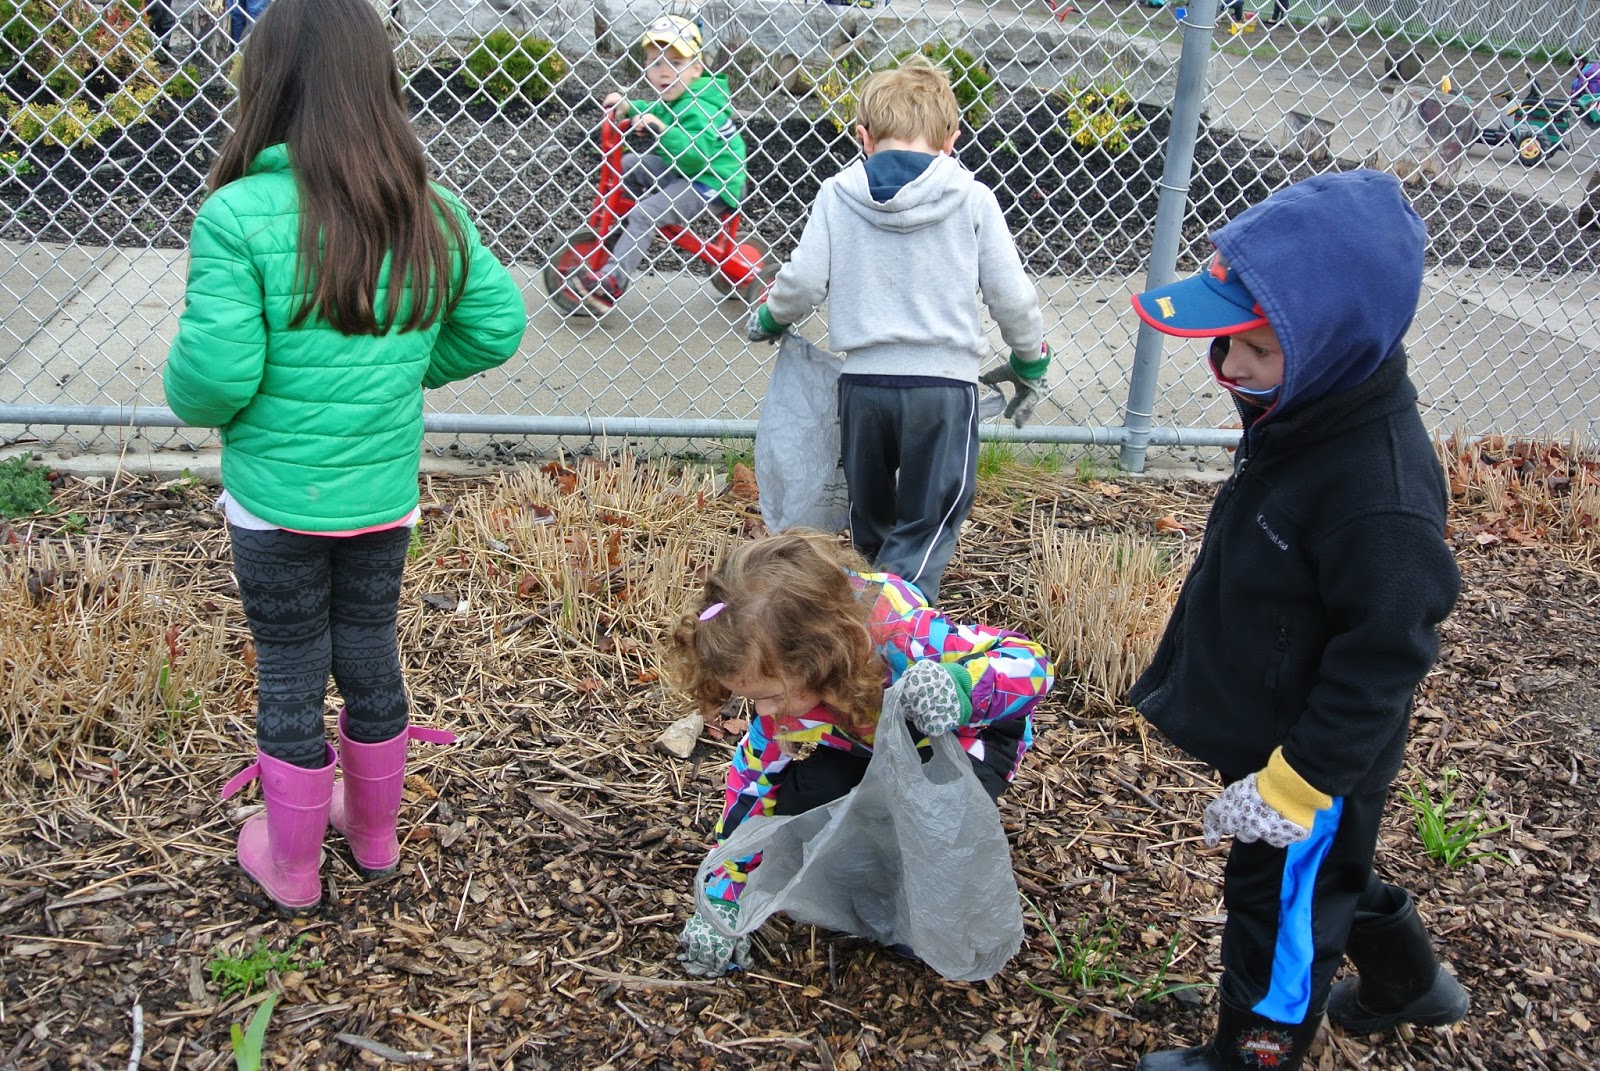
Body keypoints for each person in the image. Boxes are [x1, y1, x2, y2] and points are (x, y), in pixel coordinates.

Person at [163, 0, 528, 913]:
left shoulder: (237, 215)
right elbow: (496, 326)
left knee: (289, 664)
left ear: (265, 86)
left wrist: (247, 398)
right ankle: (373, 835)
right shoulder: (428, 208)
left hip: (275, 499)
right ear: (379, 85)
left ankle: (289, 866)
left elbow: (212, 383)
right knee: (369, 649)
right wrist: (398, 375)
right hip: (380, 493)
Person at [1124, 170, 1468, 1070]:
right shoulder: (1306, 408)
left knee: (1277, 900)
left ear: (1333, 346)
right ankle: (1409, 980)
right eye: (1227, 339)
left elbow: (1389, 651)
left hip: (1312, 749)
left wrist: (1298, 782)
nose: (1230, 366)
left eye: (1258, 347)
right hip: (1286, 726)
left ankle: (1253, 1050)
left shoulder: (1378, 495)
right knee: (1320, 874)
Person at [663, 530, 1055, 976]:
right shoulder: (784, 684)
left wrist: (961, 691)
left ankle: (917, 895)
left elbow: (1032, 663)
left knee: (931, 824)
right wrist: (724, 898)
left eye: (770, 696)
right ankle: (876, 876)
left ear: (816, 659)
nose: (762, 711)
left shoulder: (903, 639)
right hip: (862, 741)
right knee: (798, 805)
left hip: (958, 738)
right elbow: (752, 789)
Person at [747, 56, 1047, 603]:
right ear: (952, 137)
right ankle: (895, 624)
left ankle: (862, 608)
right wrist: (1030, 356)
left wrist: (772, 316)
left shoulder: (838, 194)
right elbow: (1012, 296)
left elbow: (805, 279)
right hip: (944, 388)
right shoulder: (973, 199)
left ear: (863, 136)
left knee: (872, 513)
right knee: (931, 515)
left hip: (863, 386)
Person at [589, 14, 746, 312]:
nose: (664, 72)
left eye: (675, 63)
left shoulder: (701, 106)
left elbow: (695, 153)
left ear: (696, 69)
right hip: (685, 173)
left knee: (645, 213)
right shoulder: (676, 96)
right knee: (629, 164)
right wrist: (627, 106)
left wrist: (660, 130)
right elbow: (653, 109)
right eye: (655, 62)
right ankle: (627, 232)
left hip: (711, 182)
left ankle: (612, 281)